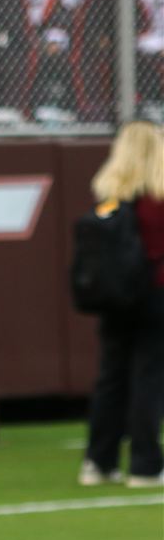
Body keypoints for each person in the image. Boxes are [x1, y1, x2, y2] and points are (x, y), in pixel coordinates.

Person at [79, 122, 164, 489]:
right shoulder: (157, 201)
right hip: (154, 295)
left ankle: (99, 461)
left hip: (115, 298)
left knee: (111, 379)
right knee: (147, 378)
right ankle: (145, 465)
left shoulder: (109, 197)